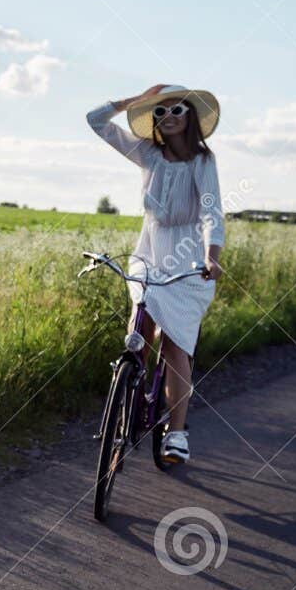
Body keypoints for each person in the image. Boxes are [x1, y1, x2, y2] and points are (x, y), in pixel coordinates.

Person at [86, 84, 225, 464]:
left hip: (189, 258)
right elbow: (95, 121)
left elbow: (212, 213)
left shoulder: (202, 161)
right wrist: (133, 100)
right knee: (138, 332)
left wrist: (213, 257)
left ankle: (176, 433)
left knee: (175, 344)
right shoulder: (147, 155)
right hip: (149, 251)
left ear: (191, 116)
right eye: (160, 112)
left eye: (177, 110)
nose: (168, 117)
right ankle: (131, 389)